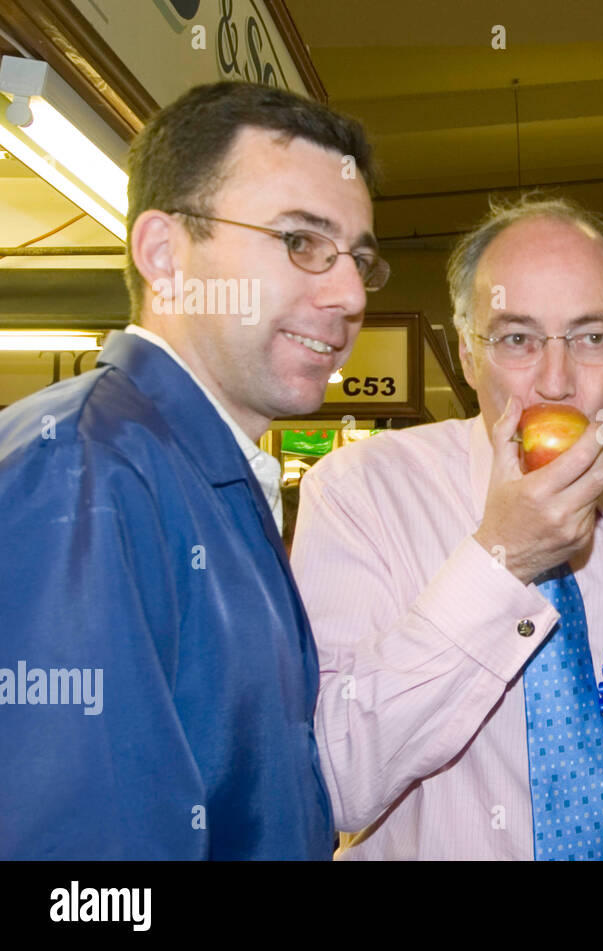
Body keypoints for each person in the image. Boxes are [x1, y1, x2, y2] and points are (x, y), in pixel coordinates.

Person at [0, 81, 383, 859]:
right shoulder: (85, 474)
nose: (348, 294)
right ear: (165, 254)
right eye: (302, 241)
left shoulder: (210, 476)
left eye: (359, 259)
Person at [290, 195, 603, 860]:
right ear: (468, 355)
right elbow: (333, 782)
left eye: (591, 337)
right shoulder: (362, 493)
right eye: (517, 339)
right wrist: (500, 561)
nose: (555, 380)